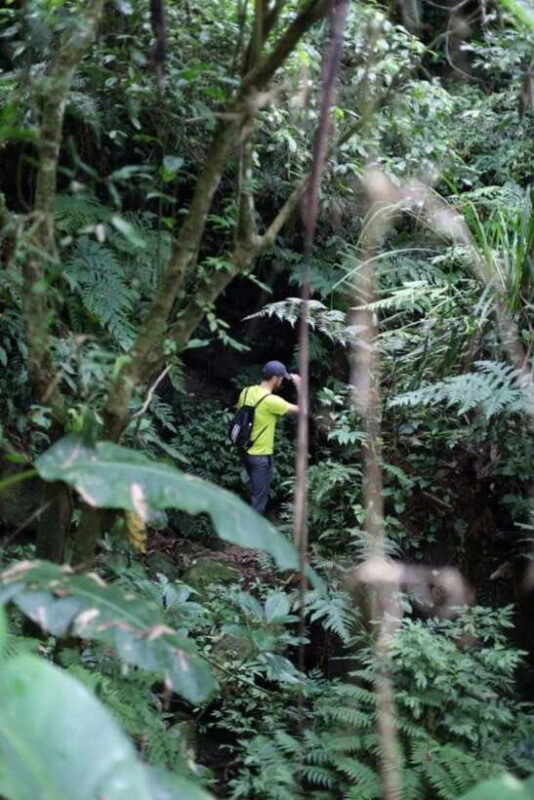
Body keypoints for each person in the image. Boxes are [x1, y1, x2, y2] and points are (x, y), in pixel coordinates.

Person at [237, 360, 301, 514]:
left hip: (245, 451)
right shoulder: (271, 401)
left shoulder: (246, 392)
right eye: (281, 378)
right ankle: (251, 536)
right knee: (258, 503)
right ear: (275, 378)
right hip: (261, 457)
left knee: (255, 494)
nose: (282, 381)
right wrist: (299, 386)